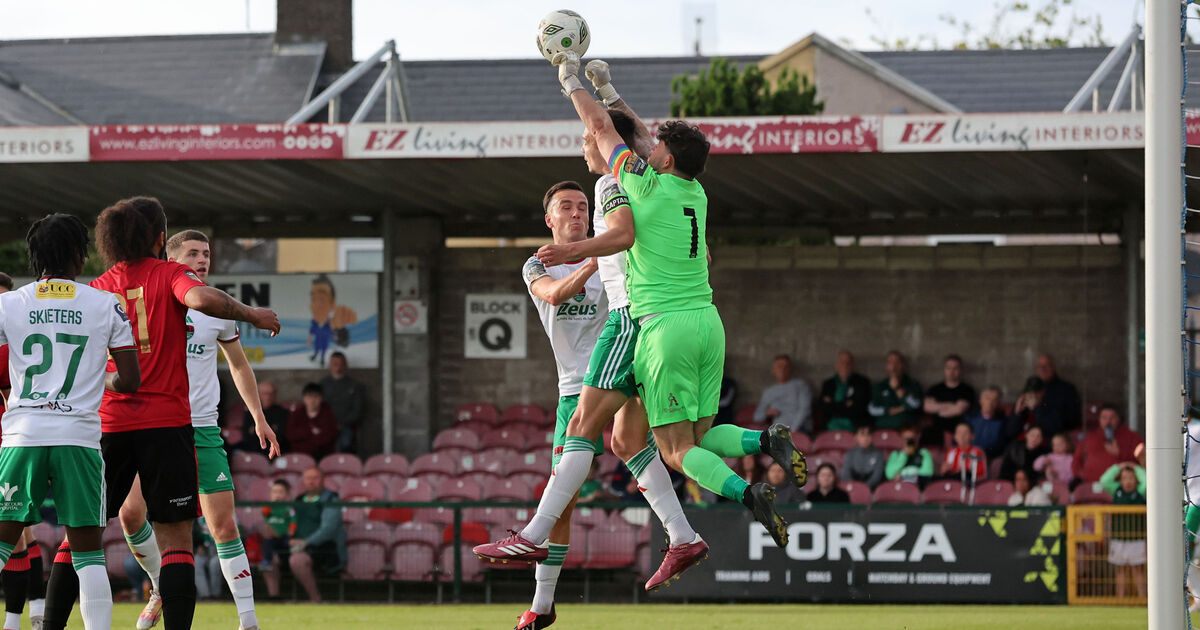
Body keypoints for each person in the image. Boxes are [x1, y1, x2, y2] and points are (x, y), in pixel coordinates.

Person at [478, 64, 804, 615]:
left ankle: (536, 540)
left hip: (643, 324)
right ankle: (712, 504)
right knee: (644, 444)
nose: (589, 145)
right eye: (567, 207)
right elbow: (642, 139)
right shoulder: (690, 189)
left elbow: (619, 185)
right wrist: (609, 90)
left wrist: (573, 80)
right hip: (702, 320)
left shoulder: (618, 182)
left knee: (603, 440)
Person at [480, 169, 703, 628]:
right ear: (549, 219)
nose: (578, 213)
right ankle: (544, 604)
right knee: (577, 490)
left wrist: (604, 250)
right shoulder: (538, 264)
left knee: (632, 447)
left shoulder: (611, 249)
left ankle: (536, 545)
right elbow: (557, 293)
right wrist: (592, 257)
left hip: (621, 364)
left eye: (584, 207)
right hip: (574, 385)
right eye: (567, 207)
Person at [44, 197, 279, 630]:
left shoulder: (96, 287)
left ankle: (50, 624)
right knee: (176, 539)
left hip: (109, 425)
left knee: (79, 534)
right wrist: (252, 314)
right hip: (167, 424)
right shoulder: (170, 274)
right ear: (158, 239)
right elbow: (203, 298)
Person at [116, 229, 280, 630]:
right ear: (172, 258)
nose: (203, 260)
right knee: (130, 515)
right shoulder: (149, 302)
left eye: (207, 253)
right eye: (193, 253)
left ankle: (248, 620)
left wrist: (258, 416)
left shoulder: (215, 306)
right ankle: (159, 586)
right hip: (153, 425)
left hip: (201, 428)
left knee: (223, 523)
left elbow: (239, 364)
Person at [0, 213, 142, 630]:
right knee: (88, 554)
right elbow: (130, 380)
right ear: (80, 256)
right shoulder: (104, 303)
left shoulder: (9, 303)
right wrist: (101, 379)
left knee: (2, 542)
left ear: (35, 256)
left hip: (22, 434)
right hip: (78, 438)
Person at [274, 468, 344, 602]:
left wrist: (305, 542)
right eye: (308, 478)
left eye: (315, 478)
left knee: (297, 560)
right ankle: (274, 598)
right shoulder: (299, 500)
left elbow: (328, 530)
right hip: (295, 545)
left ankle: (315, 599)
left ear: (323, 480)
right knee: (270, 557)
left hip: (322, 549)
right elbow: (288, 523)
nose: (311, 482)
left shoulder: (331, 499)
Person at [1104, 465, 1147, 599]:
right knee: (1120, 570)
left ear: (1136, 480)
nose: (1127, 481)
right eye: (1124, 478)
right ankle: (1120, 599)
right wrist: (1118, 467)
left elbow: (1146, 481)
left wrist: (1136, 468)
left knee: (1137, 570)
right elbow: (1104, 481)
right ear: (1120, 481)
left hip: (1136, 538)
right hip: (1118, 538)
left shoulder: (1141, 492)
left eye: (1131, 478)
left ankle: (1142, 598)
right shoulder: (1116, 490)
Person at [1014, 354, 1081, 438]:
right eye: (1040, 366)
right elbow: (1010, 432)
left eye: (1046, 365)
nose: (1043, 369)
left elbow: (1062, 424)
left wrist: (1036, 407)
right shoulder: (1030, 387)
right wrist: (1017, 414)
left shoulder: (1066, 390)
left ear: (1053, 367)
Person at [1073, 404, 1140, 484]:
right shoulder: (1089, 438)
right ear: (1099, 420)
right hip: (1091, 486)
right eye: (1104, 418)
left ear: (1118, 419)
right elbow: (1076, 463)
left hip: (1122, 487)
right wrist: (1084, 475)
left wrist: (1119, 453)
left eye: (1112, 418)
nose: (1108, 421)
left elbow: (1142, 463)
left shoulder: (1132, 437)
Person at [752, 354, 813, 435]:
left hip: (799, 429)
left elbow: (805, 410)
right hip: (778, 431)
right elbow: (757, 417)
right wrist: (767, 413)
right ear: (773, 370)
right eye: (779, 366)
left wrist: (792, 430)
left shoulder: (801, 386)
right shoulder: (769, 391)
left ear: (790, 369)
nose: (783, 369)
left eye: (786, 367)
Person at [922, 354, 976, 445]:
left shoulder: (967, 390)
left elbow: (958, 410)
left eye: (955, 368)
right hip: (936, 428)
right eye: (949, 368)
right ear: (944, 369)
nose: (951, 371)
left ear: (960, 370)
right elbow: (927, 407)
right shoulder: (935, 389)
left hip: (956, 429)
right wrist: (950, 405)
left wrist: (938, 407)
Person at [319, 352, 366, 454]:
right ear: (329, 366)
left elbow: (358, 410)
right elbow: (317, 408)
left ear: (345, 366)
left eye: (341, 364)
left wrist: (341, 423)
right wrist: (329, 423)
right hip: (325, 425)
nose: (338, 367)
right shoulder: (322, 384)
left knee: (346, 444)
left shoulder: (354, 385)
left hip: (346, 425)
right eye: (335, 364)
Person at [818, 350, 872, 432]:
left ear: (853, 366)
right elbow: (823, 407)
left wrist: (833, 404)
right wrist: (845, 404)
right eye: (842, 362)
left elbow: (859, 408)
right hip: (830, 426)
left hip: (855, 427)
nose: (845, 365)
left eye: (848, 362)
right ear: (837, 365)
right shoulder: (828, 384)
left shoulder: (862, 382)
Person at [868, 351, 922, 430]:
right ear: (886, 366)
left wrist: (899, 391)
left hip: (906, 430)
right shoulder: (880, 386)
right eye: (890, 362)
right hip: (883, 429)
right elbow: (872, 409)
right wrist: (889, 410)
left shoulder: (912, 384)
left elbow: (916, 405)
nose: (893, 366)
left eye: (897, 362)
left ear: (903, 366)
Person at [286, 384, 338, 460]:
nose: (312, 400)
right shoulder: (296, 414)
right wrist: (310, 431)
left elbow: (329, 438)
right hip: (299, 455)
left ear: (321, 398)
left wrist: (304, 438)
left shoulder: (328, 415)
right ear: (304, 398)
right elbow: (290, 435)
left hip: (322, 456)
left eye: (316, 397)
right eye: (309, 397)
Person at [259, 480, 297, 583]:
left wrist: (292, 529)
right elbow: (264, 513)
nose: (277, 495)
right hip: (272, 537)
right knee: (267, 544)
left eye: (280, 492)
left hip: (284, 536)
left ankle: (290, 564)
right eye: (274, 492)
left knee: (290, 544)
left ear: (287, 494)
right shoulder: (270, 507)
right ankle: (266, 561)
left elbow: (293, 520)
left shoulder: (288, 508)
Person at [237, 381, 289, 454]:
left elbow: (281, 437)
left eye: (271, 393)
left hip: (273, 450)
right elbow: (246, 436)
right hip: (252, 449)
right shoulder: (250, 412)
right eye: (265, 393)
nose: (268, 396)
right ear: (258, 395)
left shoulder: (282, 412)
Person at [965, 386, 1014, 459]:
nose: (990, 403)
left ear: (998, 403)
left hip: (987, 457)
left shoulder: (1002, 422)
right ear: (980, 400)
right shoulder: (969, 418)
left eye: (994, 400)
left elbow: (1001, 446)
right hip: (966, 455)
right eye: (987, 399)